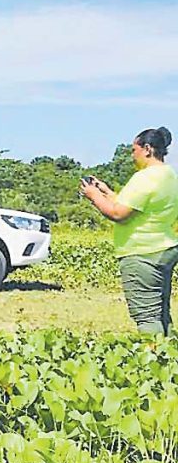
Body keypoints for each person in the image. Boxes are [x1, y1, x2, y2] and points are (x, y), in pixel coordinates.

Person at [81, 127, 178, 335]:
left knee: (146, 317)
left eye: (134, 150)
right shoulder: (169, 175)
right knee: (161, 312)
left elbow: (118, 213)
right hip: (164, 248)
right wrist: (106, 192)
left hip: (142, 254)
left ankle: (151, 364)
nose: (132, 156)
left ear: (147, 149)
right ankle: (171, 358)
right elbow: (134, 207)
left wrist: (93, 196)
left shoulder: (145, 178)